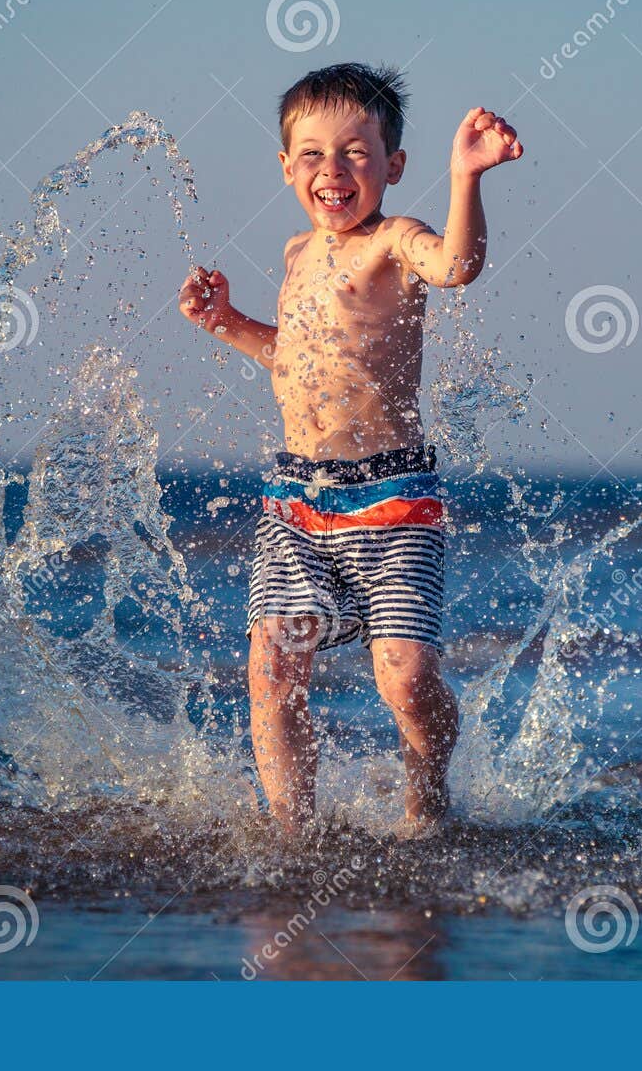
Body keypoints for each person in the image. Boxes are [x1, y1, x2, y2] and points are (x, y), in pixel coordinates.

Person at [178, 62, 522, 838]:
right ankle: (291, 834)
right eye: (312, 154)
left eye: (356, 154)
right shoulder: (298, 252)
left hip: (394, 501)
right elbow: (299, 359)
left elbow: (458, 267)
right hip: (299, 501)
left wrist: (465, 177)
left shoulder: (396, 242)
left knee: (404, 677)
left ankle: (428, 794)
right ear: (285, 166)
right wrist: (229, 324)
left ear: (394, 166)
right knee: (272, 669)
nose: (333, 172)